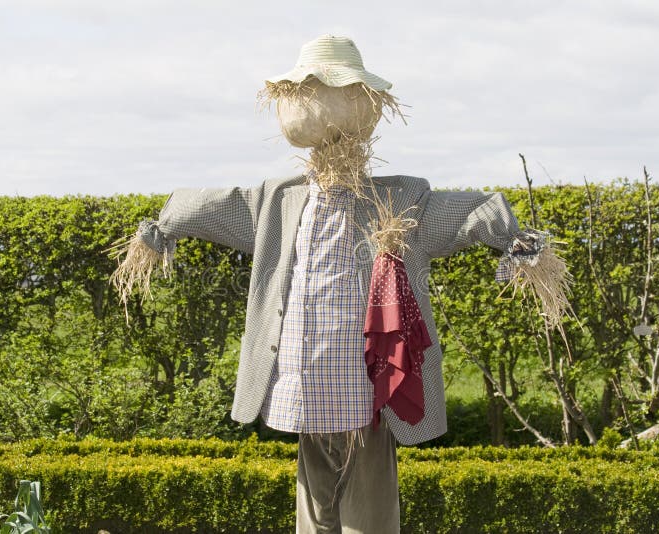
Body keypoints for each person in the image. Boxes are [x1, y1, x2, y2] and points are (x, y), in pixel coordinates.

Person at [114, 35, 563, 534]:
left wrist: (513, 239)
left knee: (368, 515)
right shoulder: (278, 201)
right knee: (314, 511)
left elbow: (466, 212)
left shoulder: (400, 201)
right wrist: (165, 225)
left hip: (368, 390)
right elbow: (213, 206)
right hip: (303, 386)